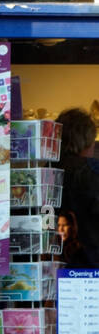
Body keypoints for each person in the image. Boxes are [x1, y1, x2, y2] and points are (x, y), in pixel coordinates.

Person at [57, 107, 99, 267]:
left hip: (53, 267)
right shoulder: (94, 171)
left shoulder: (43, 169)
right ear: (87, 142)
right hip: (92, 266)